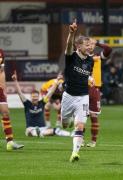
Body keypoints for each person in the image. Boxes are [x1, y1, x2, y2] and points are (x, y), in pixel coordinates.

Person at [61, 20, 94, 162]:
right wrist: (71, 33)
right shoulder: (71, 56)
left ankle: (75, 153)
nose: (89, 47)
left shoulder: (90, 61)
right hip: (68, 96)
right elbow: (68, 45)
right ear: (78, 46)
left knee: (80, 125)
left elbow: (87, 73)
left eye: (90, 45)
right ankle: (65, 120)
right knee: (65, 123)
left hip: (83, 97)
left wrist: (90, 78)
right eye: (86, 45)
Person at [12, 72, 71, 137]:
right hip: (30, 129)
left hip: (43, 129)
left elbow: (50, 92)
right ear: (31, 97)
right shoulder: (27, 104)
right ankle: (38, 133)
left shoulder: (42, 103)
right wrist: (15, 81)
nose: (35, 98)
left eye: (36, 96)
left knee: (56, 130)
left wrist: (57, 81)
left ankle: (71, 134)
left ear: (38, 97)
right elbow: (19, 93)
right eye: (33, 96)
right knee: (31, 132)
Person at [86, 38, 112, 147]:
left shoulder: (98, 56)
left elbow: (109, 49)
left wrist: (97, 43)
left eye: (93, 44)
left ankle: (93, 141)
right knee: (81, 115)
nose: (91, 46)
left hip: (95, 88)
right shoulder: (80, 56)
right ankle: (80, 139)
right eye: (89, 44)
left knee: (93, 115)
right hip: (82, 88)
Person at [0, 49, 24, 150]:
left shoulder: (1, 52)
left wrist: (4, 89)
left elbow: (1, 71)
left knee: (5, 112)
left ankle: (10, 142)